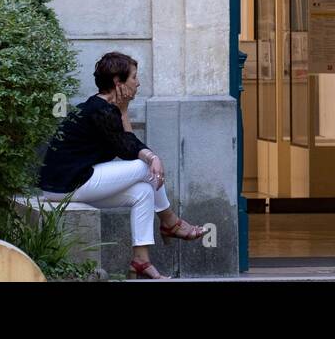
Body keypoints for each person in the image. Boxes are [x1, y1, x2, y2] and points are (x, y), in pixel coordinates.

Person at [38, 51, 208, 279]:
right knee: (145, 168)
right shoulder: (100, 111)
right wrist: (152, 158)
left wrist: (124, 110)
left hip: (70, 183)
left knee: (143, 192)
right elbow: (128, 150)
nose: (138, 83)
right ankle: (170, 222)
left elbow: (126, 142)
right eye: (134, 77)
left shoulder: (105, 108)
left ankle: (141, 261)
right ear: (119, 82)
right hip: (67, 184)